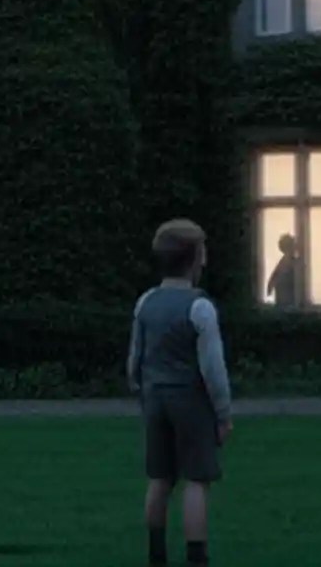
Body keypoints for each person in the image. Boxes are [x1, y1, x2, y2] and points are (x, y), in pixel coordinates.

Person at [127, 219, 233, 567]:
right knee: (197, 480)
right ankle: (196, 556)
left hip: (155, 398)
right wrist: (222, 412)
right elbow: (212, 368)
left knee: (159, 478)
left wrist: (141, 391)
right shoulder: (200, 307)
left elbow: (135, 358)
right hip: (190, 401)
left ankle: (156, 554)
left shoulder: (145, 302)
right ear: (192, 259)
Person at [265, 233, 299, 307]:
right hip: (286, 303)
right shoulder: (287, 263)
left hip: (286, 302)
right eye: (292, 245)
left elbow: (271, 282)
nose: (295, 247)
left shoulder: (284, 263)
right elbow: (272, 281)